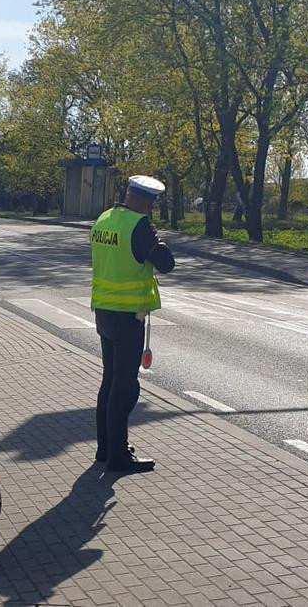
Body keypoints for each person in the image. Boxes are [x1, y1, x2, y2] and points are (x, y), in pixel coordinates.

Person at [90, 175, 175, 473]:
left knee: (109, 381)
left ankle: (105, 448)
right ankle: (118, 456)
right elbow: (166, 263)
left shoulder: (104, 219)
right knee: (124, 387)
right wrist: (159, 242)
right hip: (127, 315)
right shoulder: (139, 225)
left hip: (103, 310)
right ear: (143, 201)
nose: (151, 209)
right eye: (151, 204)